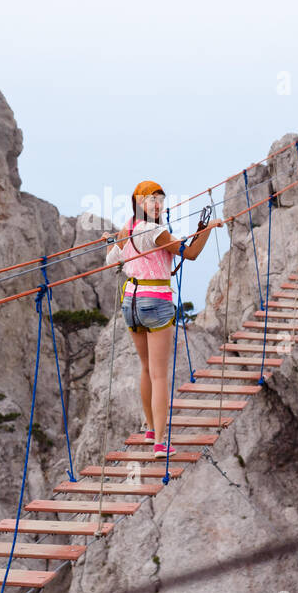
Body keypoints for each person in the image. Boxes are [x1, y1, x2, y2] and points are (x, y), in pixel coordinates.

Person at [104, 181, 224, 459]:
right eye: (150, 200)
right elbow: (190, 254)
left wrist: (113, 240)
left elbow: (112, 263)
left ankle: (149, 429)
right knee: (159, 374)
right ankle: (160, 443)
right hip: (155, 301)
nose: (157, 204)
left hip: (130, 302)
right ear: (139, 203)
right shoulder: (155, 230)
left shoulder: (128, 228)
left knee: (146, 368)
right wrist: (208, 229)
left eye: (160, 199)